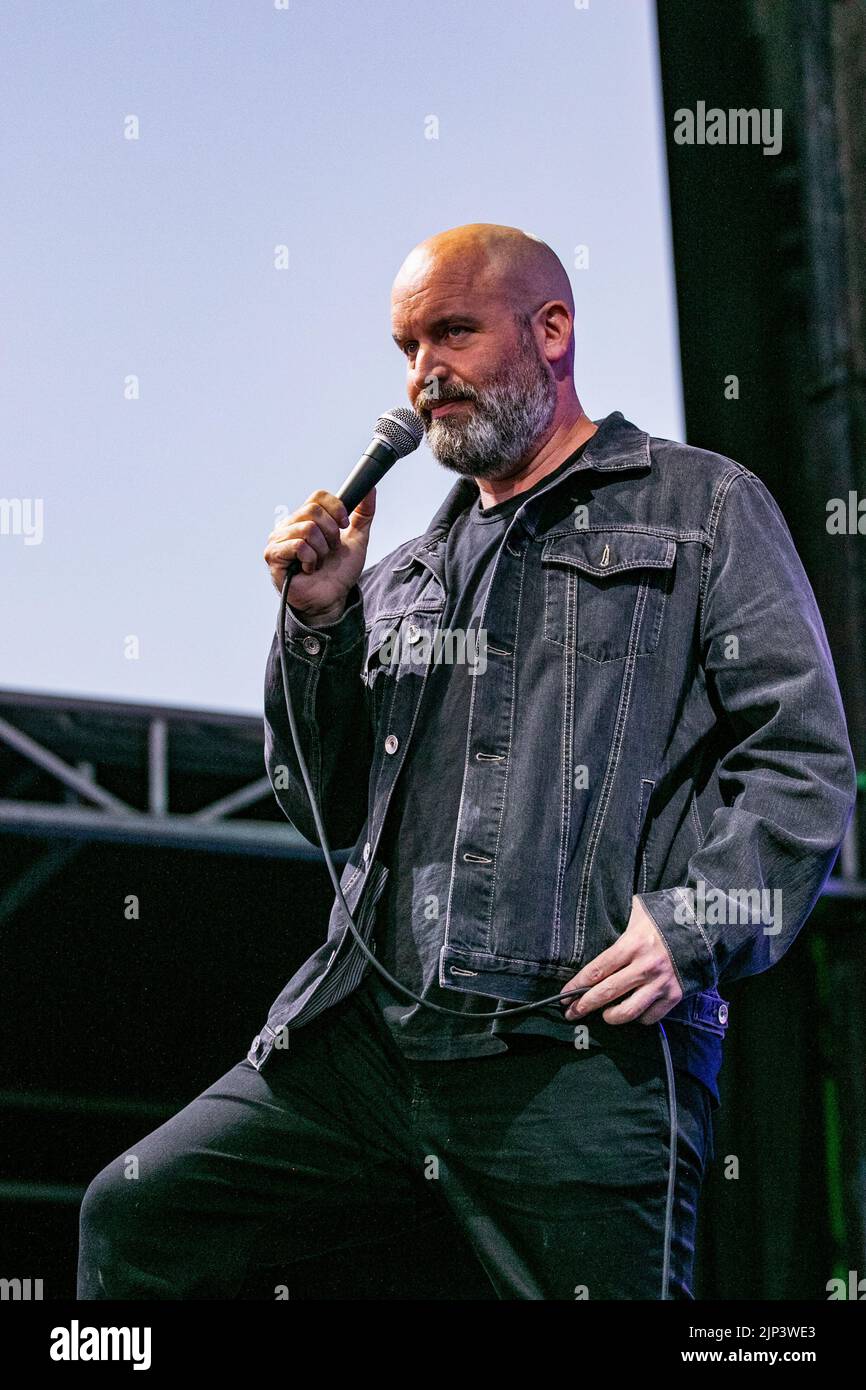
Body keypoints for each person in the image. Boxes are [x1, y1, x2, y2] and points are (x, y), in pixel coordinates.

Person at [77, 223, 856, 1301]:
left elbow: (798, 755)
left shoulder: (699, 507)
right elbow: (319, 803)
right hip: (368, 1039)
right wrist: (318, 624)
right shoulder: (402, 572)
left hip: (572, 1045)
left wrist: (698, 921)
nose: (421, 373)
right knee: (141, 1214)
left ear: (550, 330)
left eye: (450, 331)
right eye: (405, 346)